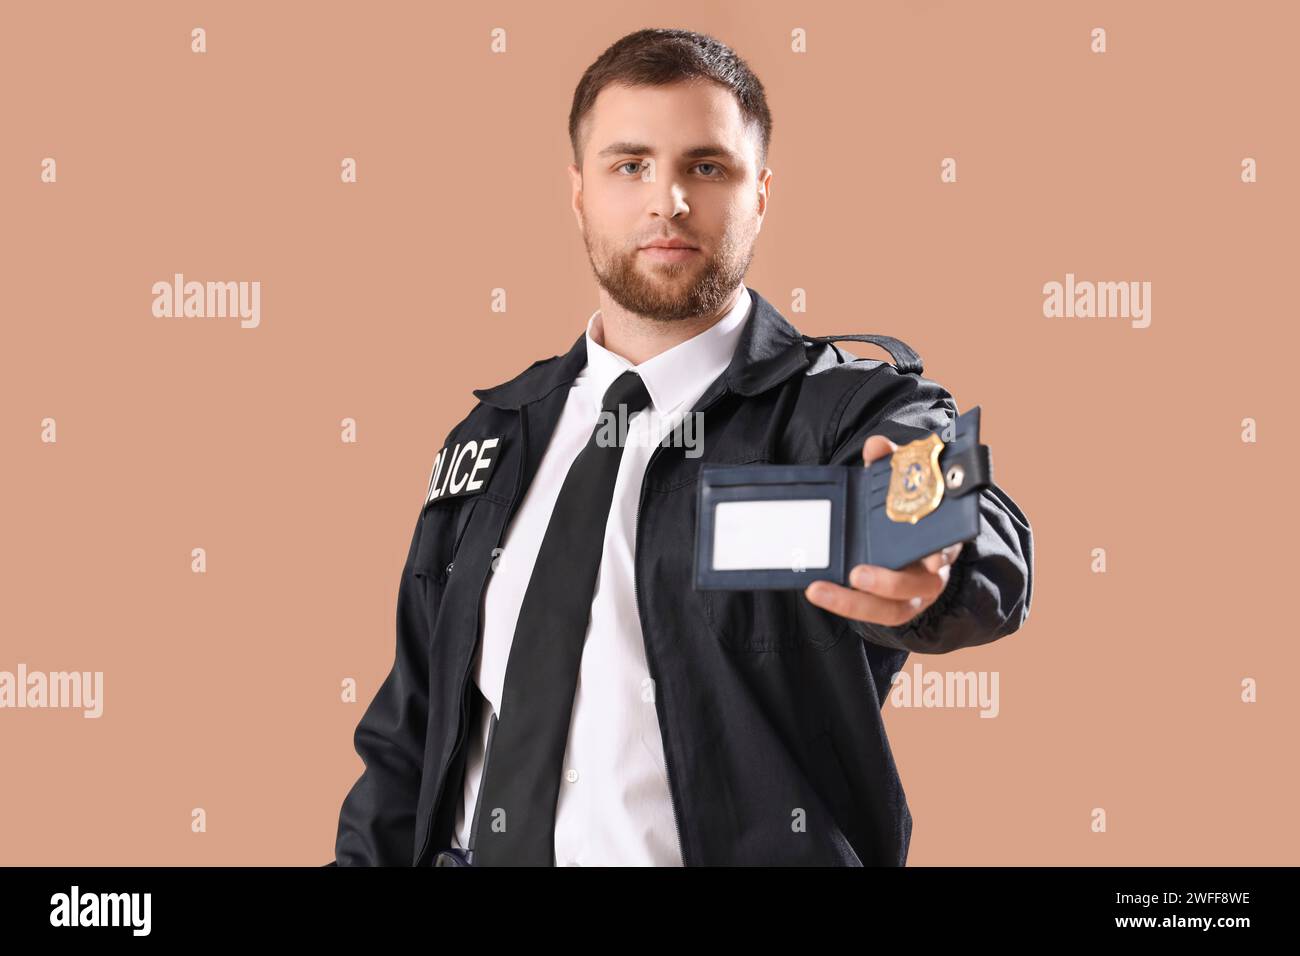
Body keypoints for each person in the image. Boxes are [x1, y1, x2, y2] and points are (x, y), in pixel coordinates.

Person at [330, 27, 1033, 867]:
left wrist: (939, 555)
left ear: (760, 192)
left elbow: (951, 500)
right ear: (580, 192)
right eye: (630, 166)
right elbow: (410, 733)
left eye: (706, 166)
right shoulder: (492, 436)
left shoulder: (840, 411)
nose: (667, 200)